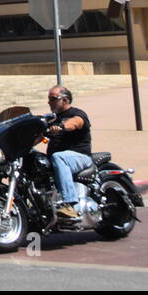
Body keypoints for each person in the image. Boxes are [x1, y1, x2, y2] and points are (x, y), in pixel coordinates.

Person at [45, 85, 93, 218]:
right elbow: (37, 137)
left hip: (80, 156)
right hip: (59, 158)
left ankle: (69, 204)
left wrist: (62, 126)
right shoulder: (51, 119)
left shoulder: (77, 113)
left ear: (65, 100)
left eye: (53, 99)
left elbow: (76, 123)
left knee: (58, 157)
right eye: (49, 99)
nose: (49, 102)